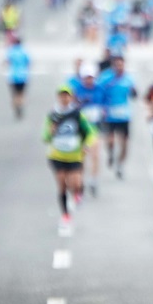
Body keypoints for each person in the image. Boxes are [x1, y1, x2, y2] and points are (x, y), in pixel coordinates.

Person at [45, 85, 98, 226]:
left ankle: (79, 193)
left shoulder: (77, 114)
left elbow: (90, 132)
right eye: (62, 95)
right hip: (57, 155)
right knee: (62, 184)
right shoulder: (52, 115)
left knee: (75, 183)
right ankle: (65, 214)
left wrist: (87, 144)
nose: (64, 98)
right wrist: (50, 132)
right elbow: (45, 137)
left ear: (71, 97)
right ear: (58, 97)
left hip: (75, 155)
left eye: (67, 95)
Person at [70, 61, 105, 196]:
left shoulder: (99, 89)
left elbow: (105, 103)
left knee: (95, 155)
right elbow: (72, 106)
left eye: (91, 77)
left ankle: (93, 180)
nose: (89, 80)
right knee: (81, 156)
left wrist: (104, 111)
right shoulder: (77, 89)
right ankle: (80, 181)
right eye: (86, 77)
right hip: (81, 129)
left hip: (95, 128)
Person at [99, 55, 136, 179]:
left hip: (124, 115)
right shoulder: (105, 78)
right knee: (110, 140)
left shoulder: (129, 79)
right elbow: (99, 92)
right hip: (110, 114)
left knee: (125, 143)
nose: (119, 67)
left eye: (121, 65)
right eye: (117, 65)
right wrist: (102, 107)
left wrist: (134, 91)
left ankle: (120, 164)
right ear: (113, 65)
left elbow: (134, 94)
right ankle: (110, 153)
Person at [6, 37, 31, 120]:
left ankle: (16, 106)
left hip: (13, 76)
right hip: (23, 76)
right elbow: (28, 62)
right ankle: (20, 105)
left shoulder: (11, 51)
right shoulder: (24, 52)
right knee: (21, 94)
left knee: (14, 94)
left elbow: (7, 61)